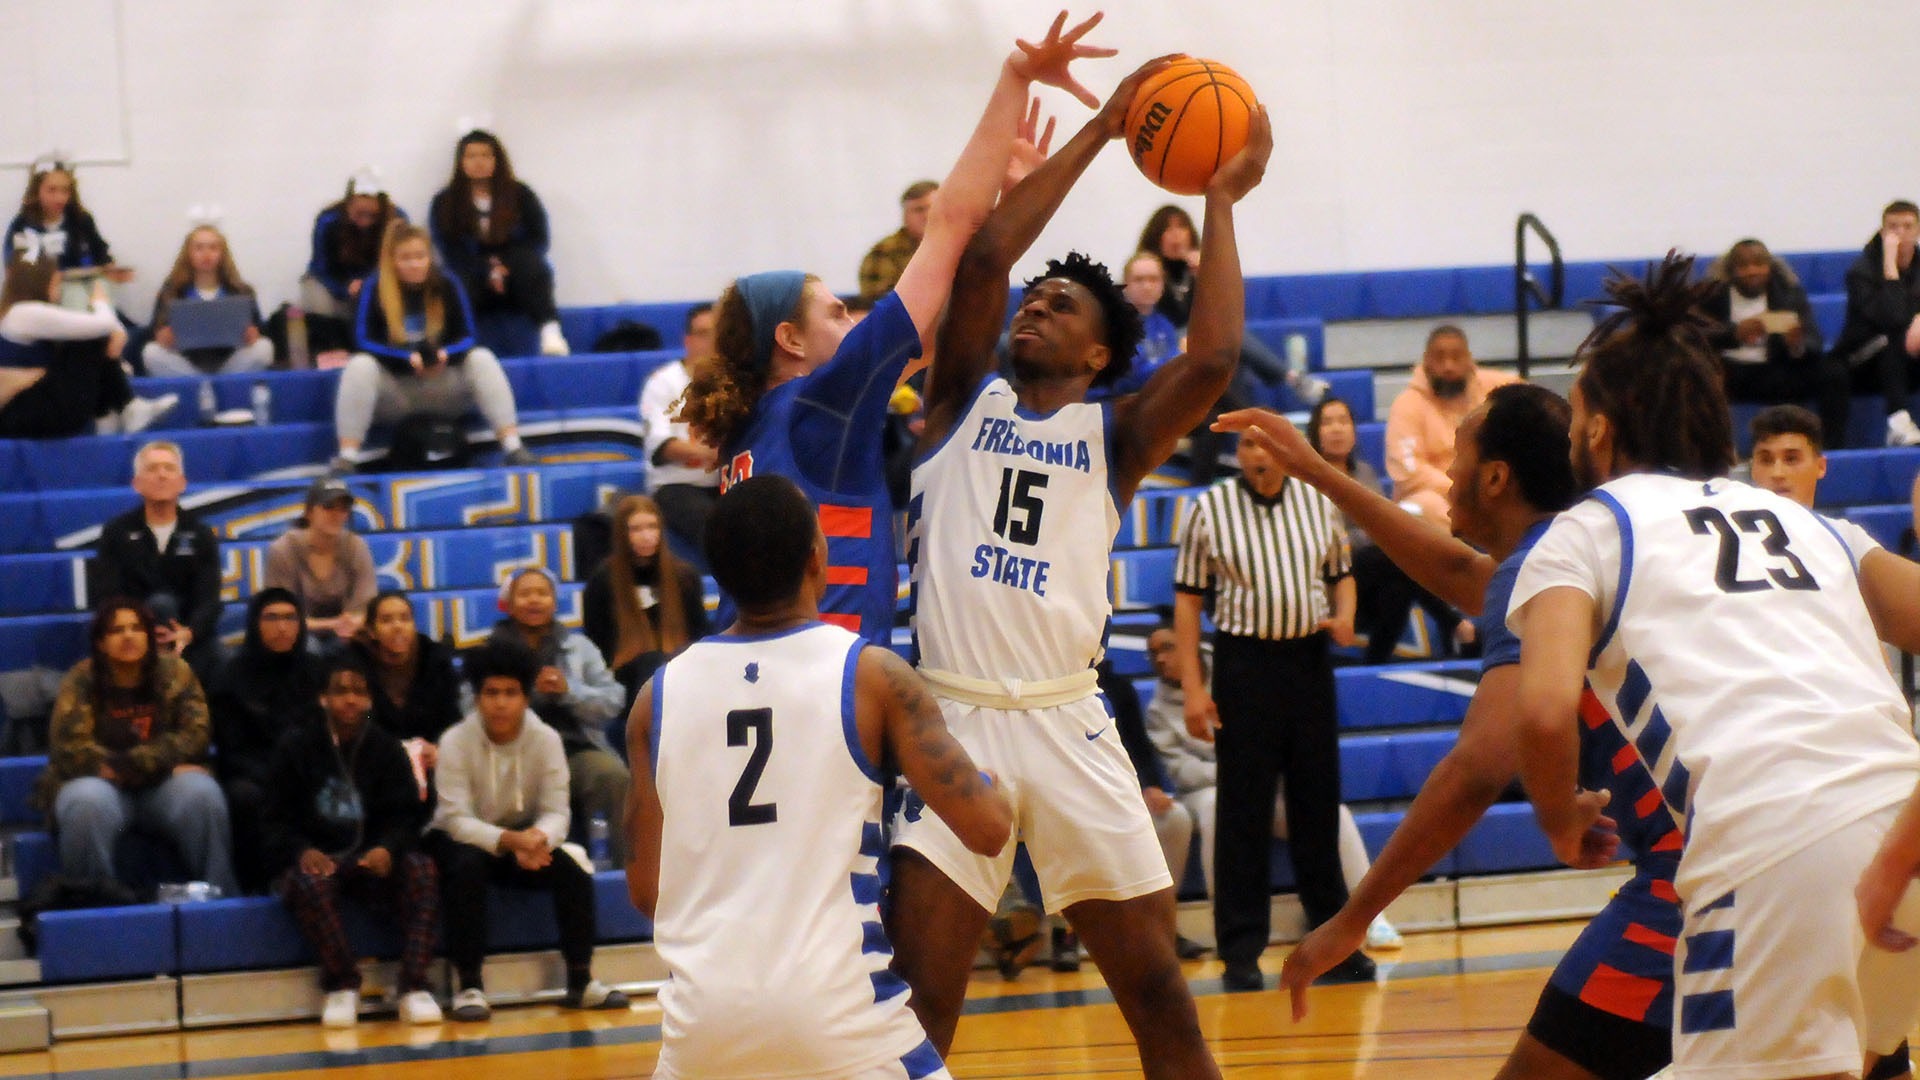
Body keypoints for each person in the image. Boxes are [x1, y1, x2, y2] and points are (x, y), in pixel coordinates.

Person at [886, 52, 1267, 1075]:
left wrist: (1219, 200)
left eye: (1062, 304)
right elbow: (979, 262)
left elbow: (1217, 360)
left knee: (1158, 1000)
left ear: (1100, 355)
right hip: (951, 718)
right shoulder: (963, 394)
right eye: (1038, 294)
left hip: (1069, 718)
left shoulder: (1119, 434)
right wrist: (1102, 131)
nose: (1036, 304)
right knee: (921, 1013)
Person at [1511, 254, 1920, 1079]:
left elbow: (1545, 712)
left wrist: (1558, 816)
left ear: (1595, 432)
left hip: (1770, 850)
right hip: (1903, 826)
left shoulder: (1588, 529)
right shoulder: (1815, 526)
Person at [1214, 388, 1687, 1080]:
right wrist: (1317, 470)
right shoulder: (1598, 545)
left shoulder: (1545, 568)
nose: (1444, 475)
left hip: (1705, 876)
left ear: (1495, 477)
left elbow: (1477, 769)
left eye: (1456, 456)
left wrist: (1351, 919)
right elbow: (1462, 572)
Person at [677, 10, 1115, 643]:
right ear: (790, 340)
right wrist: (1015, 76)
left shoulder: (756, 422)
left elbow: (940, 331)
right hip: (827, 684)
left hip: (752, 669)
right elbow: (947, 223)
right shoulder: (820, 402)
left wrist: (1011, 210)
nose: (854, 319)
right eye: (835, 311)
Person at [624, 474, 1013, 1080]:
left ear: (718, 576)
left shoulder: (656, 699)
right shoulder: (872, 675)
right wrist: (985, 786)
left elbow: (647, 891)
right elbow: (988, 830)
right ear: (816, 558)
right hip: (840, 1017)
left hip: (700, 1030)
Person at [1172, 421, 1367, 993]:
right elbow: (1187, 605)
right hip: (1243, 665)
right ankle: (1240, 950)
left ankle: (1333, 946)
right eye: (1247, 445)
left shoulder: (1318, 501)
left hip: (1307, 663)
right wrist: (1193, 686)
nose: (1256, 454)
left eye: (1265, 443)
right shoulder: (1208, 509)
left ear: (1286, 450)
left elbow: (1343, 576)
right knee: (1242, 812)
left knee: (1317, 807)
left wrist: (1346, 617)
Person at [1139, 626, 1402, 952]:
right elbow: (1184, 772)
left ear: (1191, 646)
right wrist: (1241, 771)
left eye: (1168, 648)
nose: (1161, 659)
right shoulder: (1156, 710)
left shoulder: (1233, 678)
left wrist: (1256, 771)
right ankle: (1226, 928)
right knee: (1216, 808)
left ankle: (1374, 918)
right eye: (1154, 654)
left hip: (1261, 783)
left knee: (1333, 814)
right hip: (1205, 792)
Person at [427, 637, 628, 1021]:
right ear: (478, 697)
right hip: (465, 840)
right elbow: (455, 819)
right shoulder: (455, 741)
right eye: (491, 693)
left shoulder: (547, 739)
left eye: (510, 693)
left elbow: (557, 812)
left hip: (524, 840)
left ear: (526, 697)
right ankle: (469, 985)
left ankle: (581, 981)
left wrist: (538, 840)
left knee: (572, 872)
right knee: (465, 868)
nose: (500, 702)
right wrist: (507, 840)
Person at [263, 650, 441, 1028]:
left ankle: (413, 985)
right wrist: (302, 850)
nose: (350, 699)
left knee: (422, 869)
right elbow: (273, 821)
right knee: (307, 883)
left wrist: (388, 849)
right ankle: (342, 984)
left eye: (359, 691)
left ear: (370, 699)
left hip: (373, 861)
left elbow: (408, 817)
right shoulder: (295, 748)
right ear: (322, 698)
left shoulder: (387, 749)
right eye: (340, 691)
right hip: (320, 862)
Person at [37, 599, 237, 896]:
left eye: (136, 628)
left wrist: (130, 764)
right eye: (117, 630)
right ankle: (93, 902)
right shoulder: (81, 678)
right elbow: (69, 748)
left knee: (202, 794)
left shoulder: (176, 672)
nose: (128, 636)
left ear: (149, 636)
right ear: (102, 643)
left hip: (161, 786)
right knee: (83, 802)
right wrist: (147, 763)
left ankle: (218, 897)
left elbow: (195, 734)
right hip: (103, 786)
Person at [332, 221, 529, 474]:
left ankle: (513, 447)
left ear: (429, 257)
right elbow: (362, 340)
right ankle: (347, 458)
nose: (414, 264)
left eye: (420, 256)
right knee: (359, 366)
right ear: (392, 260)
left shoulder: (447, 283)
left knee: (482, 358)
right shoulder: (373, 286)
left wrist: (444, 355)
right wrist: (405, 358)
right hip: (398, 390)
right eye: (405, 258)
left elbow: (468, 336)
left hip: (441, 385)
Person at [482, 567, 630, 866]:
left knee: (612, 775)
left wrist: (568, 691)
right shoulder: (490, 651)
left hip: (575, 749)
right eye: (525, 594)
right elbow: (471, 712)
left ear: (554, 600)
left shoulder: (580, 647)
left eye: (542, 593)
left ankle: (624, 871)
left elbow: (614, 700)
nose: (534, 600)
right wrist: (520, 699)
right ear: (508, 603)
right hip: (515, 755)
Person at [1308, 396, 1466, 662]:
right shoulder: (1307, 479)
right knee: (1393, 554)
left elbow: (1380, 523)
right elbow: (1324, 539)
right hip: (1332, 575)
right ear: (1315, 433)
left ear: (1354, 431)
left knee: (1398, 588)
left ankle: (1375, 663)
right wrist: (1372, 535)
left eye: (1343, 421)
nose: (1336, 429)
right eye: (1327, 423)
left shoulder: (1366, 473)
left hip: (1372, 573)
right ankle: (1452, 622)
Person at [207, 588, 324, 892]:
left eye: (290, 618)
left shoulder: (320, 672)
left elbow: (356, 721)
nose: (282, 627)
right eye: (271, 618)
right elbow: (232, 751)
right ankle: (259, 889)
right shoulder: (230, 676)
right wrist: (280, 779)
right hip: (255, 775)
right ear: (254, 624)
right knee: (246, 798)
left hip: (314, 772)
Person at [0, 252, 173, 437]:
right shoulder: (24, 313)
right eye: (56, 283)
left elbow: (102, 327)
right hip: (26, 414)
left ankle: (117, 411)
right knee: (89, 339)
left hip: (29, 408)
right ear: (41, 283)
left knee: (88, 338)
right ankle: (124, 407)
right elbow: (102, 325)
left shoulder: (19, 313)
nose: (59, 291)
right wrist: (100, 300)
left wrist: (113, 335)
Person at [428, 130, 567, 357]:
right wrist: (487, 269)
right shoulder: (445, 201)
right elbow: (449, 248)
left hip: (515, 273)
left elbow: (538, 239)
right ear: (461, 162)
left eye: (486, 155)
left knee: (533, 265)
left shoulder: (520, 194)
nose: (479, 162)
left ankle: (550, 330)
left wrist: (504, 267)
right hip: (473, 273)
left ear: (497, 160)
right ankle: (460, 343)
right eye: (471, 156)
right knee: (453, 280)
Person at [1701, 238, 1849, 448]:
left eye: (1759, 264)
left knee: (1834, 373)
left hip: (1775, 368)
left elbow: (1813, 341)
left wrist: (1796, 345)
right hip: (1728, 372)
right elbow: (1694, 337)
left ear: (1769, 267)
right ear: (1731, 270)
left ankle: (1832, 449)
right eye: (1744, 265)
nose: (1752, 271)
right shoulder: (1712, 295)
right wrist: (1734, 334)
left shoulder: (1788, 292)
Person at [92, 442, 223, 678]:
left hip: (190, 640)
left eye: (169, 468)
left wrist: (188, 633)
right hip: (131, 637)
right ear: (136, 484)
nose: (161, 475)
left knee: (222, 663)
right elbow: (107, 596)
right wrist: (139, 633)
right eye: (152, 469)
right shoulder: (116, 533)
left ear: (182, 482)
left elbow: (209, 600)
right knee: (160, 604)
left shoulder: (202, 535)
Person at [580, 494, 709, 713]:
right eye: (636, 529)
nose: (647, 536)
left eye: (652, 527)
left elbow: (698, 635)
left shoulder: (684, 576)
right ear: (622, 534)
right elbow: (598, 645)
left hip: (678, 669)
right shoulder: (603, 580)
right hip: (624, 678)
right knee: (653, 661)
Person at [1384, 326, 1519, 527]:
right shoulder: (1406, 404)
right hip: (1439, 498)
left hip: (1493, 488)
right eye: (1440, 358)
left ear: (1470, 360)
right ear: (1426, 361)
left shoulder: (1500, 387)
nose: (1448, 366)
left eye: (1456, 357)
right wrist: (1464, 489)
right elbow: (1408, 472)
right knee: (1425, 507)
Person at [352, 592, 462, 797]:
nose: (397, 626)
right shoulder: (355, 665)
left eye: (405, 618)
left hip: (431, 763)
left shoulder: (436, 661)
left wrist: (440, 749)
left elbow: (452, 718)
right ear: (371, 631)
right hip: (375, 764)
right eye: (387, 620)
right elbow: (359, 720)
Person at [1834, 200, 1920, 446]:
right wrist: (1890, 267)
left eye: (1907, 226)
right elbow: (1890, 318)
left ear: (1918, 231)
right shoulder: (1861, 272)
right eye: (1893, 227)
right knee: (1892, 339)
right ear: (1883, 233)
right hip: (1862, 358)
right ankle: (1898, 422)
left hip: (1907, 357)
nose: (1901, 234)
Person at [637, 304, 720, 554]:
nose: (713, 341)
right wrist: (711, 454)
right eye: (704, 333)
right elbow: (660, 445)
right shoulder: (664, 382)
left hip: (727, 481)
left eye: (719, 333)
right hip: (677, 484)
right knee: (716, 525)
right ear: (688, 340)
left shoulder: (736, 382)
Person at [140, 224, 274, 377]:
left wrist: (253, 333)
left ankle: (207, 387)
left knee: (264, 347)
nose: (206, 254)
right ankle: (206, 385)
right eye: (199, 248)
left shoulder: (241, 290)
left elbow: (260, 329)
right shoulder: (172, 290)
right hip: (187, 364)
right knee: (151, 352)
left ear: (222, 254)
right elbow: (153, 330)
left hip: (230, 364)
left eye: (213, 248)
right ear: (188, 253)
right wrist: (162, 336)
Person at [264, 478, 378, 650]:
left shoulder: (356, 546)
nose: (337, 514)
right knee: (308, 647)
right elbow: (282, 616)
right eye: (328, 507)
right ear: (309, 513)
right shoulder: (283, 550)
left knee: (361, 642)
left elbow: (367, 607)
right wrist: (333, 624)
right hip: (298, 633)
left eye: (343, 509)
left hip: (344, 633)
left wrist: (351, 623)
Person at [302, 169, 406, 322]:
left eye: (373, 215)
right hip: (334, 280)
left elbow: (398, 261)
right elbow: (321, 267)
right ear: (348, 204)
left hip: (379, 280)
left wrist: (370, 283)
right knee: (319, 301)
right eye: (360, 213)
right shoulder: (328, 220)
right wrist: (345, 288)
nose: (366, 221)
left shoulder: (396, 220)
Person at [5, 158, 131, 281]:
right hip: (39, 290)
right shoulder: (22, 224)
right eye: (52, 190)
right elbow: (14, 269)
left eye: (65, 191)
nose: (59, 198)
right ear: (36, 192)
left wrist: (112, 270)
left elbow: (101, 255)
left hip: (78, 285)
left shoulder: (81, 220)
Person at [1094, 251, 1182, 399]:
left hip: (1150, 399)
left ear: (1162, 285)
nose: (1147, 286)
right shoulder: (1113, 323)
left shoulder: (1163, 323)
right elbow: (1130, 377)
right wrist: (1181, 358)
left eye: (1153, 279)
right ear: (1125, 284)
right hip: (1111, 402)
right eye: (1139, 280)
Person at [858, 180, 939, 302]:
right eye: (919, 210)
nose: (927, 215)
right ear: (905, 216)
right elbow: (877, 302)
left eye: (933, 207)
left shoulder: (965, 245)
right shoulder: (884, 252)